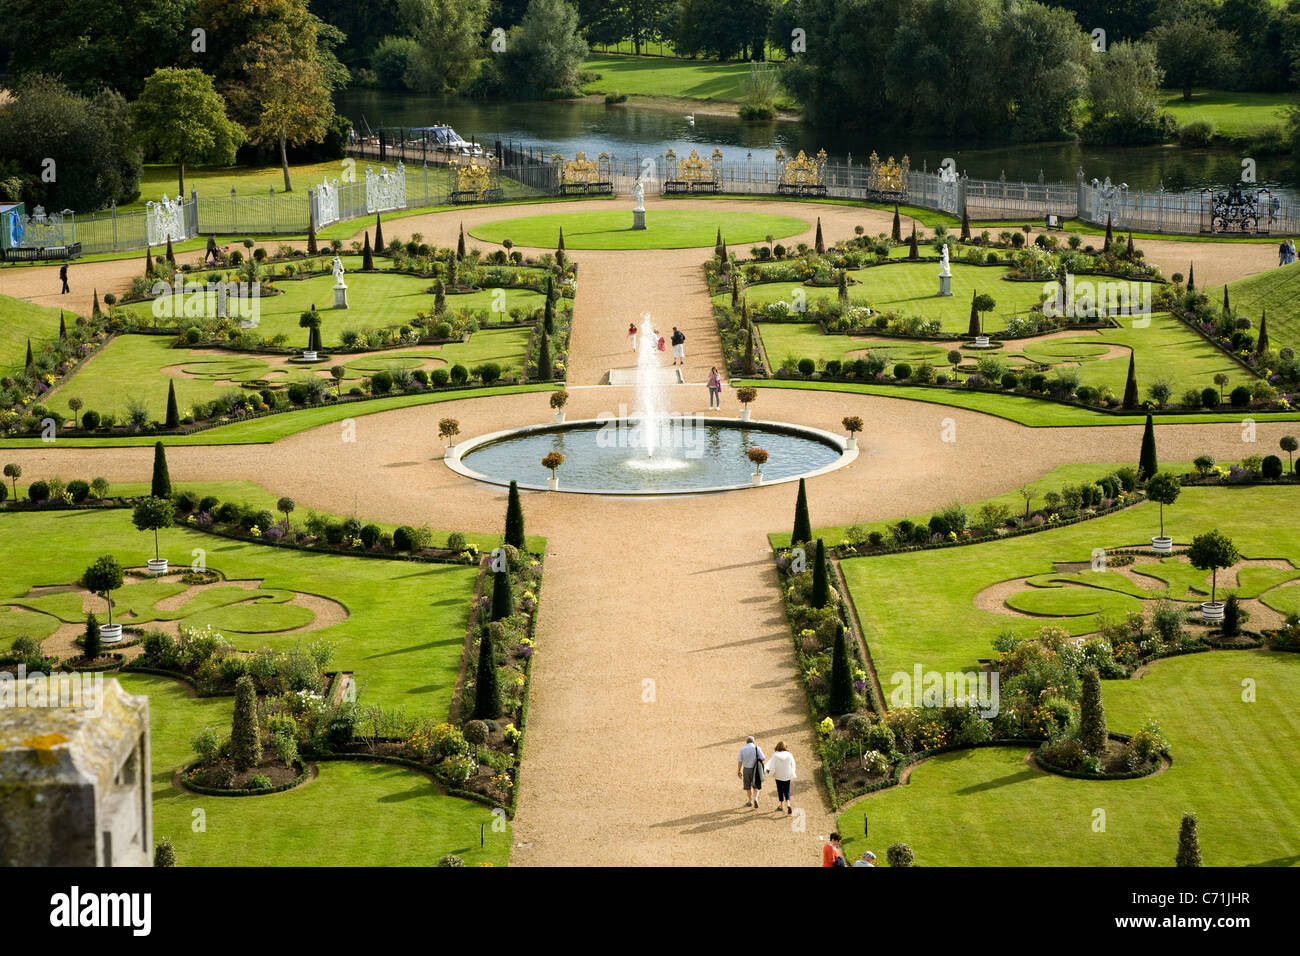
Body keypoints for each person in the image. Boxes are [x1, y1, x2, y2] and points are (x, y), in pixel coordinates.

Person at [765, 741, 796, 814]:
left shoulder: (775, 755)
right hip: (787, 775)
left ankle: (781, 806)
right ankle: (788, 804)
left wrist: (770, 774)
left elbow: (772, 766)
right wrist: (792, 773)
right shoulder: (789, 755)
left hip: (778, 775)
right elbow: (793, 764)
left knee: (780, 790)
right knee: (787, 790)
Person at [737, 735, 766, 809]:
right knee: (756, 784)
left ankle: (749, 801)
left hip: (746, 769)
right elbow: (763, 758)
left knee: (747, 786)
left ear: (746, 742)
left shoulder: (742, 749)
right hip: (755, 769)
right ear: (753, 741)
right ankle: (755, 798)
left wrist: (739, 770)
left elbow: (740, 761)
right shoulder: (757, 748)